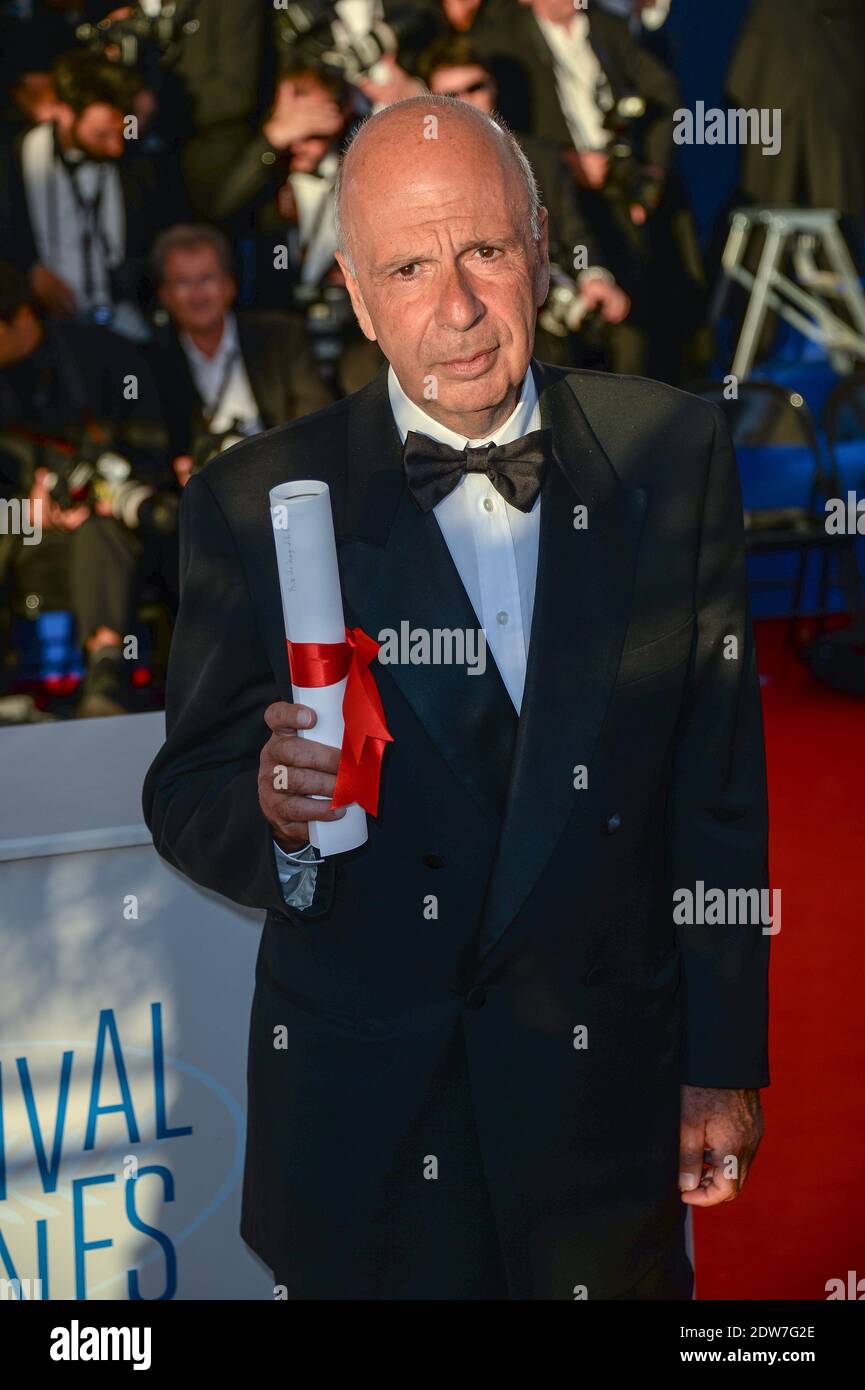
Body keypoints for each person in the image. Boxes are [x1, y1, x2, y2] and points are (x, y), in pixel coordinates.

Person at [143, 95, 770, 1301]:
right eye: (409, 267)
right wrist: (272, 807)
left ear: (537, 241)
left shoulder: (672, 450)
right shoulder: (247, 499)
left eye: (483, 249)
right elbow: (188, 790)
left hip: (600, 1119)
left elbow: (716, 787)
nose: (460, 308)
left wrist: (720, 1057)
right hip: (371, 1140)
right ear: (357, 294)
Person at [476, 0, 707, 381]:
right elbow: (498, 125)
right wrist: (565, 162)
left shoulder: (607, 28)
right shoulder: (503, 44)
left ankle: (659, 399)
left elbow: (663, 92)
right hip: (554, 194)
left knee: (651, 312)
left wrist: (649, 174)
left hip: (624, 190)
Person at [0, 47, 185, 342]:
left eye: (120, 132)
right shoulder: (13, 160)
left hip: (127, 323)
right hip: (49, 330)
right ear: (63, 112)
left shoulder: (138, 161)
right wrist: (29, 273)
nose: (116, 148)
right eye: (101, 135)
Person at [147, 223, 334, 480]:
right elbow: (155, 445)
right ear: (165, 295)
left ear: (229, 285)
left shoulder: (280, 335)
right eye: (183, 282)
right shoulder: (154, 364)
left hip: (285, 479)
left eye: (207, 278)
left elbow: (318, 418)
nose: (197, 294)